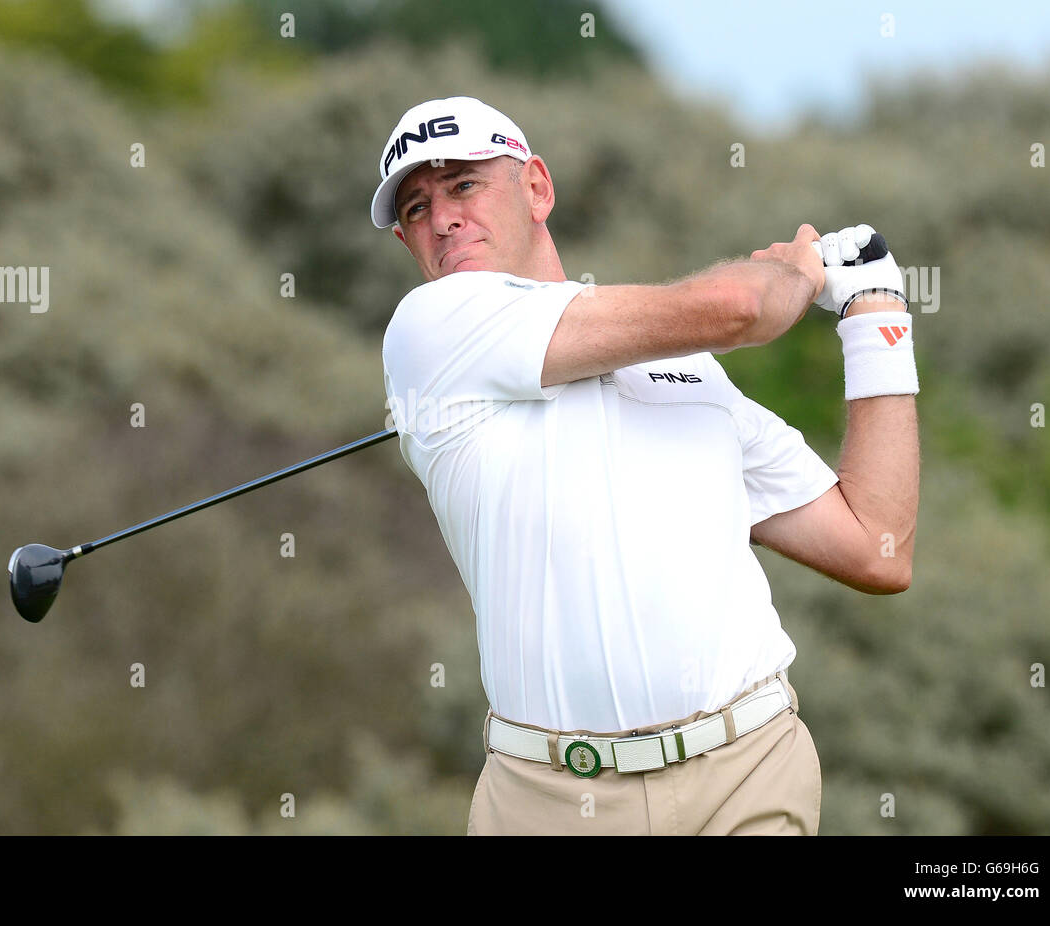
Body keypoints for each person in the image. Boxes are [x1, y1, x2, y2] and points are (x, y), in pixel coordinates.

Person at [372, 96, 919, 835]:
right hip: (548, 799)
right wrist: (797, 270)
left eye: (463, 185)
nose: (441, 218)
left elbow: (876, 546)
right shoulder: (430, 331)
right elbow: (738, 308)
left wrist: (878, 321)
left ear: (536, 188)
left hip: (748, 771)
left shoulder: (691, 374)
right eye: (415, 208)